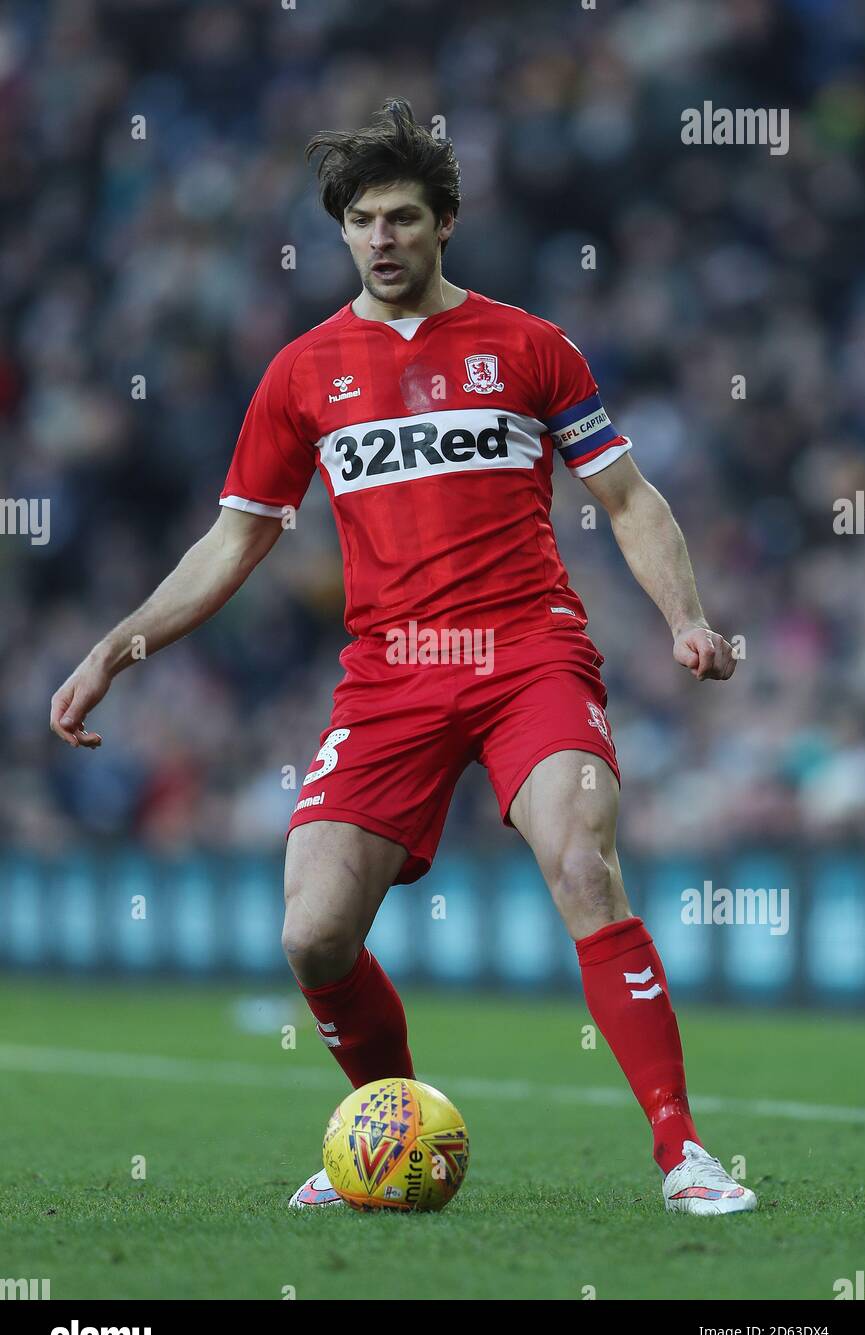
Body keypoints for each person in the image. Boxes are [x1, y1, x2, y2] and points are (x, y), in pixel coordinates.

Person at [50, 98, 756, 1217]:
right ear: (341, 232)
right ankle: (390, 1130)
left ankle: (683, 1155)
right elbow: (233, 537)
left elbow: (626, 496)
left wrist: (684, 615)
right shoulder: (300, 374)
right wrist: (116, 646)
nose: (382, 237)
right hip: (389, 673)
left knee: (582, 860)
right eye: (363, 220)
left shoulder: (531, 347)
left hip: (530, 653)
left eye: (404, 218)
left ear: (446, 224)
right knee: (313, 933)